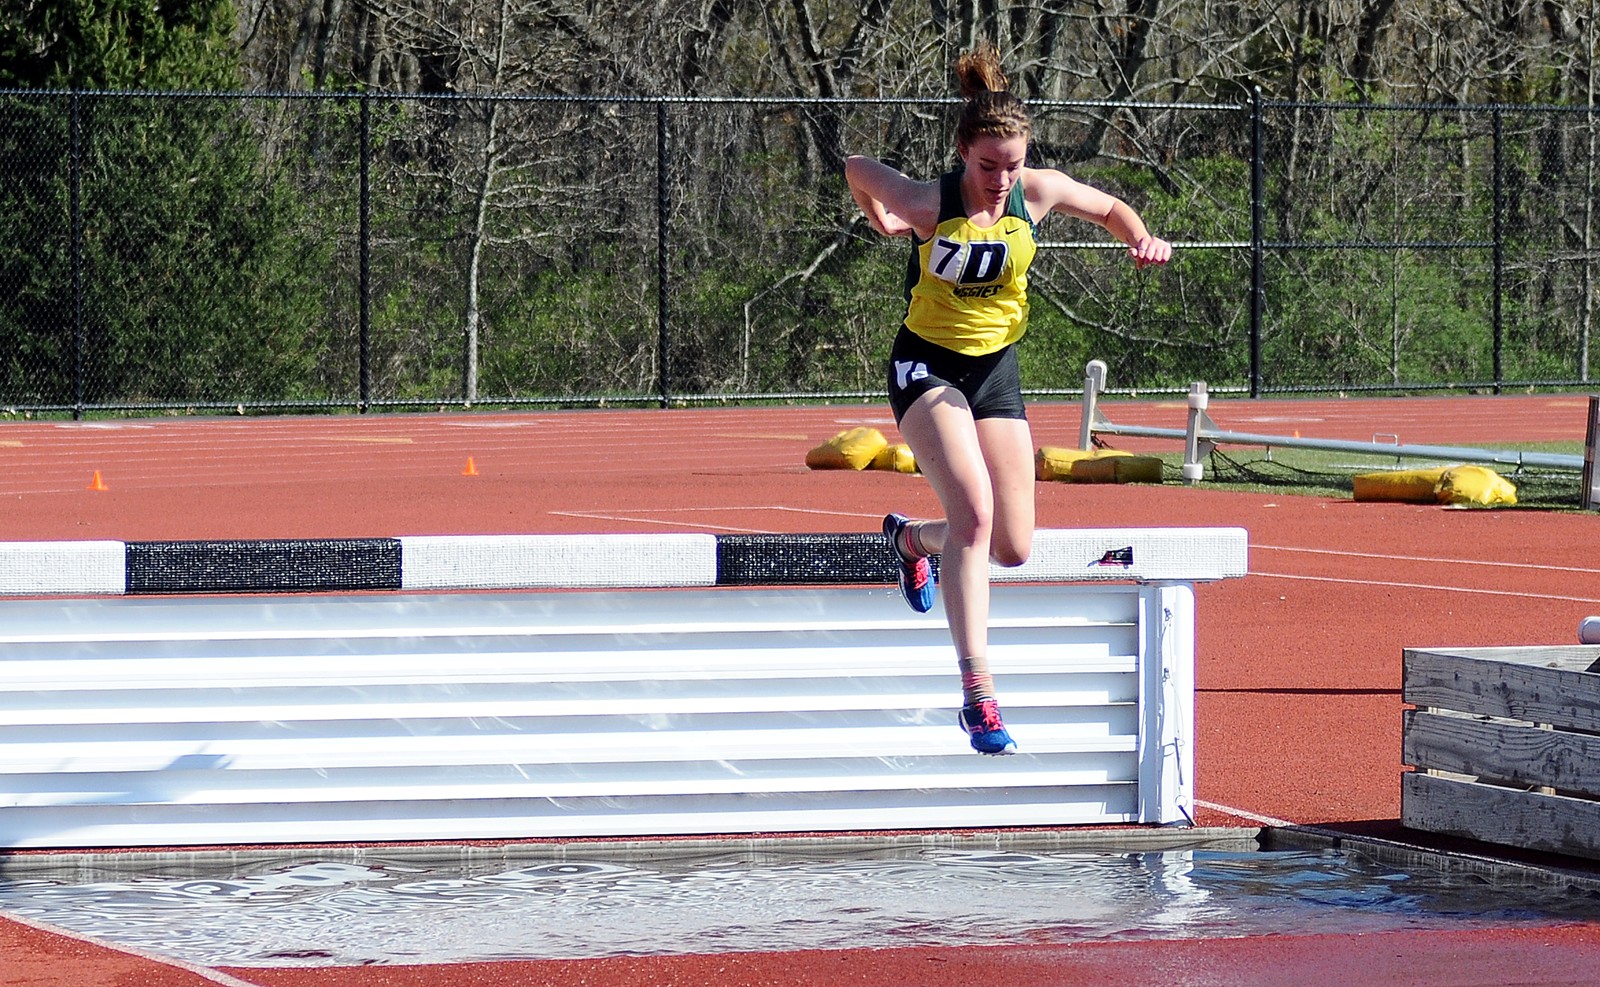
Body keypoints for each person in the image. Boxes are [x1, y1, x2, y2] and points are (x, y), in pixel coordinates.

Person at [844, 45, 1171, 756]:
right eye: (988, 167)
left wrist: (1141, 237)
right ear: (964, 154)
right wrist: (884, 219)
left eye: (1012, 166)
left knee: (1013, 545)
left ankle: (909, 540)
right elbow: (856, 168)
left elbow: (1111, 207)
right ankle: (978, 693)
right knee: (976, 512)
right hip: (926, 369)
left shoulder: (1037, 192)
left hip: (995, 373)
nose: (1000, 181)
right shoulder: (930, 202)